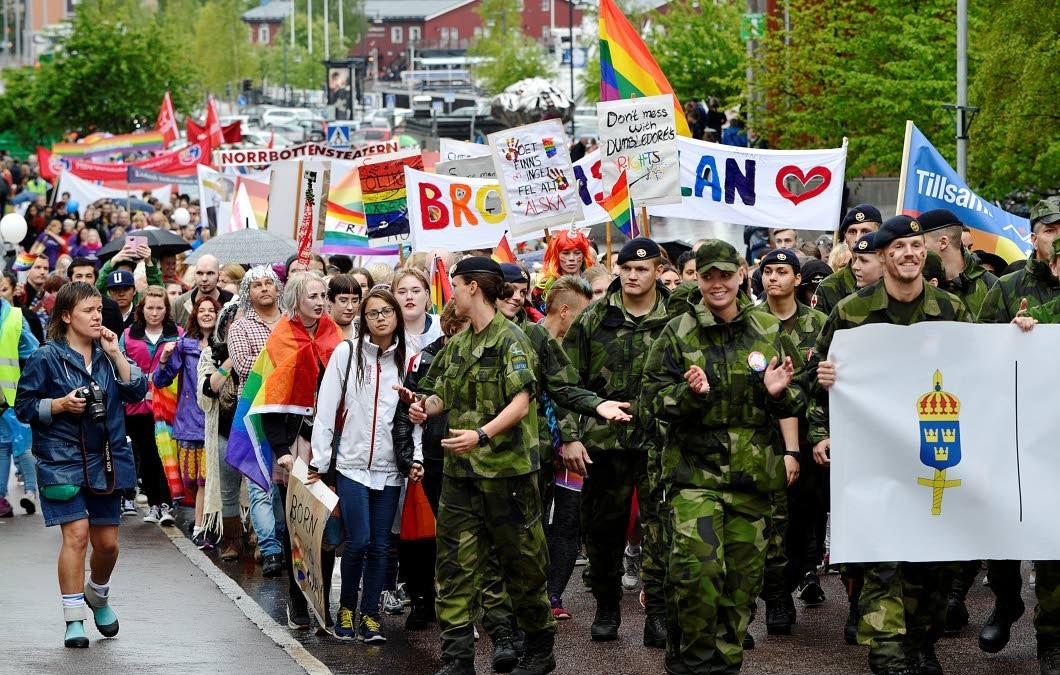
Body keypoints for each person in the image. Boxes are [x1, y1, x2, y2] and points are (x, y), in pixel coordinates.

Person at [812, 215, 971, 675]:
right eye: (897, 248)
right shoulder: (850, 313)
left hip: (933, 456)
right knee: (884, 562)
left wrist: (1019, 337)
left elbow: (983, 374)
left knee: (932, 565)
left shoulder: (952, 311)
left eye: (915, 246)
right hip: (872, 459)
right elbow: (816, 381)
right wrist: (822, 421)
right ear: (881, 257)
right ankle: (888, 655)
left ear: (926, 252)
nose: (908, 254)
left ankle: (922, 644)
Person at [643, 240, 803, 675]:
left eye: (725, 275)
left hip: (753, 481)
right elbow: (651, 403)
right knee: (698, 573)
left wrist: (779, 393)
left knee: (740, 585)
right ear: (697, 279)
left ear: (740, 274)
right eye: (708, 276)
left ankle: (725, 664)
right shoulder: (676, 332)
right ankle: (693, 661)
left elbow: (798, 398)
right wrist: (688, 395)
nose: (717, 284)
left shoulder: (768, 330)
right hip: (694, 476)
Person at [400, 256, 556, 675]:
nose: (449, 293)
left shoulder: (512, 340)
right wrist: (419, 407)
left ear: (473, 287)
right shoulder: (459, 343)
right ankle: (457, 659)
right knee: (453, 567)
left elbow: (522, 402)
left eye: (454, 284)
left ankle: (539, 649)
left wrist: (482, 434)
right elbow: (440, 397)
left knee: (522, 566)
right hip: (460, 475)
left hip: (508, 476)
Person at [481, 264, 631, 668]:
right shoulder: (509, 337)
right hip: (508, 455)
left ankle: (545, 608)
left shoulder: (551, 341)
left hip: (558, 451)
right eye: (508, 291)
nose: (516, 297)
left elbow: (566, 390)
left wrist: (574, 432)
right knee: (509, 540)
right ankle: (503, 624)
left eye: (520, 291)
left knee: (559, 527)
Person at [15, 282, 147, 647]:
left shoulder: (107, 355)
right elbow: (23, 406)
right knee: (76, 535)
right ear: (66, 316)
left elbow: (138, 392)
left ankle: (97, 595)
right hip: (62, 459)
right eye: (88, 310)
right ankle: (74, 619)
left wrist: (117, 353)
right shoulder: (46, 356)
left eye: (99, 311)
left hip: (105, 459)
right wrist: (58, 405)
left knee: (107, 545)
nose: (96, 316)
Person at [562, 238, 672, 647]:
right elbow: (568, 382)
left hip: (660, 443)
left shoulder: (677, 316)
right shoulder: (593, 319)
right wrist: (570, 436)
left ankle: (657, 612)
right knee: (603, 534)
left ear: (657, 271)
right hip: (604, 446)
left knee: (662, 532)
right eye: (626, 268)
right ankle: (606, 607)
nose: (633, 275)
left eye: (642, 269)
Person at [975, 196, 1060, 656]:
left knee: (1055, 538)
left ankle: (1052, 638)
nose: (1058, 237)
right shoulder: (1005, 288)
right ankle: (1006, 604)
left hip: (1057, 438)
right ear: (1034, 235)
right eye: (1051, 229)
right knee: (1005, 531)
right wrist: (1009, 335)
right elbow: (977, 353)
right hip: (1010, 432)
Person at [310, 288, 409, 643]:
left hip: (390, 467)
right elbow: (326, 407)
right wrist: (320, 461)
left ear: (396, 316)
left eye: (386, 312)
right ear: (363, 320)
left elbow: (415, 416)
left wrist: (415, 460)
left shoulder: (409, 357)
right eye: (372, 313)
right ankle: (346, 608)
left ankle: (370, 615)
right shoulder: (346, 353)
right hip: (351, 465)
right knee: (359, 540)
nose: (380, 318)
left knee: (382, 545)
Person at [755, 248, 828, 636]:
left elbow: (826, 384)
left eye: (782, 271)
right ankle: (776, 598)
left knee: (803, 521)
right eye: (768, 271)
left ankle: (794, 576)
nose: (774, 278)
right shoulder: (751, 323)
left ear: (798, 279)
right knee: (767, 521)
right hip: (762, 437)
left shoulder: (819, 324)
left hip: (809, 431)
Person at [392, 302, 470, 632]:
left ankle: (463, 604)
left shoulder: (491, 352)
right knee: (421, 538)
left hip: (474, 461)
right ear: (451, 328)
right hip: (432, 462)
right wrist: (410, 459)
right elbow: (404, 414)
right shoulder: (424, 359)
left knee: (464, 539)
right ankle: (422, 599)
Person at [539, 276, 594, 620]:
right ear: (564, 311)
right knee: (532, 524)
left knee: (568, 523)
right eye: (582, 315)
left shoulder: (579, 348)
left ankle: (553, 596)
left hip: (573, 457)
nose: (586, 323)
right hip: (534, 453)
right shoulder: (525, 342)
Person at [227, 266, 287, 576]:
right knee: (261, 482)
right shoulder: (240, 326)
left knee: (287, 481)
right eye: (256, 285)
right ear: (248, 293)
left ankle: (286, 541)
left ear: (278, 289)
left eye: (268, 283)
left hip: (292, 410)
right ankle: (271, 548)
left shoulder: (293, 322)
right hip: (255, 410)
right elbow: (245, 365)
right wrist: (284, 359)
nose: (263, 289)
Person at [153, 295, 221, 549]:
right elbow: (161, 381)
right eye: (201, 310)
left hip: (213, 421)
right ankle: (204, 520)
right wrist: (163, 359)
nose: (206, 314)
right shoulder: (184, 345)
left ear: (218, 315)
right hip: (187, 422)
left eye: (211, 310)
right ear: (195, 315)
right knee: (191, 480)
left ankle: (201, 528)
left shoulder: (224, 346)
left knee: (205, 480)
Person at [120, 286, 181, 525]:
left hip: (168, 406)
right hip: (138, 408)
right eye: (150, 308)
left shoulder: (178, 334)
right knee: (147, 457)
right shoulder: (128, 335)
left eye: (159, 308)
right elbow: (121, 368)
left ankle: (167, 504)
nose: (154, 313)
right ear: (141, 309)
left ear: (167, 310)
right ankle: (154, 505)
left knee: (167, 455)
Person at [0, 284, 42, 517]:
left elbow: (33, 352)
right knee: (3, 446)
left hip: (13, 395)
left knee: (22, 445)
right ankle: (1, 498)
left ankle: (30, 492)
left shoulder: (15, 317)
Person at [919, 208, 998, 316]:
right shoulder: (918, 285)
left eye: (919, 244)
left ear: (943, 243)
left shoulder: (993, 287)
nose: (915, 251)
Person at [812, 205, 883, 315]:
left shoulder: (894, 282)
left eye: (866, 231)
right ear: (845, 237)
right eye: (852, 232)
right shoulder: (829, 287)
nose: (858, 238)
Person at [532, 229, 595, 311]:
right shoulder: (542, 288)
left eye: (577, 253)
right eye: (565, 253)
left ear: (583, 256)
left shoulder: (594, 282)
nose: (571, 258)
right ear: (556, 256)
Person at [172, 255, 233, 327]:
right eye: (199, 273)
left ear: (218, 275)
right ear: (194, 274)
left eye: (210, 273)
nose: (204, 278)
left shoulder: (232, 301)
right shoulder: (180, 303)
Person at [393, 267, 444, 354]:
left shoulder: (442, 326)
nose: (409, 297)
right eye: (402, 292)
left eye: (416, 291)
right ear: (393, 296)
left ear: (427, 294)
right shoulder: (388, 330)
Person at [68, 258, 123, 336]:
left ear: (96, 280)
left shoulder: (111, 306)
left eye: (89, 276)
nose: (84, 281)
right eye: (79, 276)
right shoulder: (62, 306)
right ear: (70, 281)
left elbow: (118, 339)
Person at [327, 273, 362, 339]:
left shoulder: (364, 331)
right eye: (343, 301)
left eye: (354, 301)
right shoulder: (319, 330)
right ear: (329, 300)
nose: (350, 307)